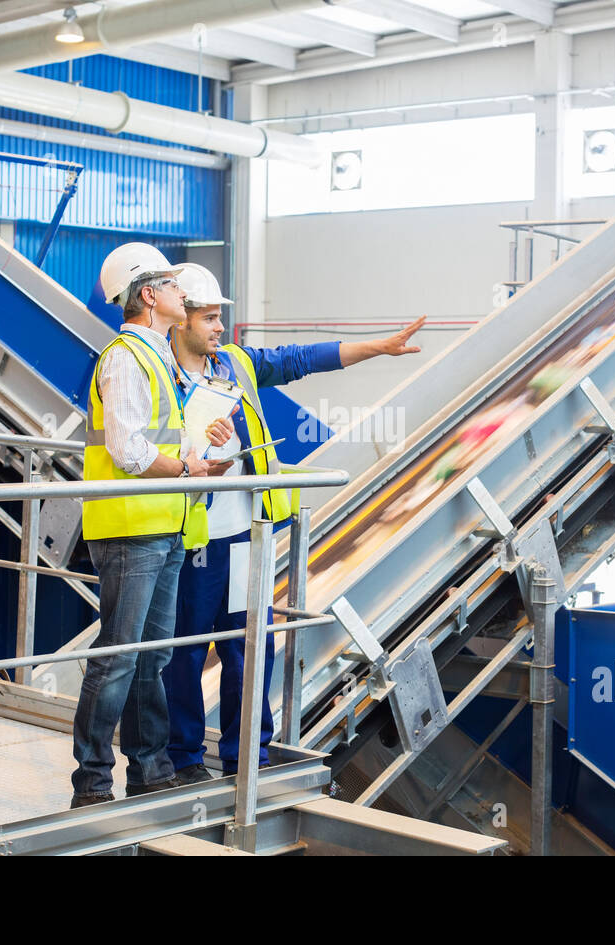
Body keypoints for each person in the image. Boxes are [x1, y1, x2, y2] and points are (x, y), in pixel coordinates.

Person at [163, 262, 425, 783]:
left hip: (244, 535)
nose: (220, 328)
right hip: (192, 538)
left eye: (221, 318)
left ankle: (248, 757)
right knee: (184, 653)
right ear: (180, 318)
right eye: (211, 318)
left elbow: (301, 359)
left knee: (247, 648)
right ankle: (185, 760)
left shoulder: (233, 363)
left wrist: (379, 346)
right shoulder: (156, 371)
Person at [70, 244, 234, 808]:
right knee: (118, 654)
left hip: (163, 525)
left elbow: (162, 437)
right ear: (148, 295)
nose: (180, 294)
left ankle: (148, 768)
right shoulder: (124, 358)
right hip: (129, 527)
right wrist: (186, 466)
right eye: (170, 285)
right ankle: (92, 782)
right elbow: (129, 451)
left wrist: (202, 445)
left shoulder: (158, 356)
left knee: (152, 656)